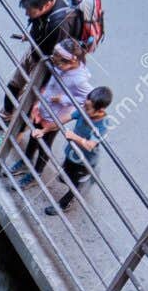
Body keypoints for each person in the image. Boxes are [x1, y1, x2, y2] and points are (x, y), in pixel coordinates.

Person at [0, 0, 84, 135]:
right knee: (13, 86)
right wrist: (31, 36)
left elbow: (58, 58)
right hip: (34, 50)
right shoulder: (43, 9)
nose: (26, 13)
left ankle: (11, 136)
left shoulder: (60, 24)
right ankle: (5, 117)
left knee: (26, 104)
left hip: (45, 64)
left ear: (46, 5)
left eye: (29, 10)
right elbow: (38, 24)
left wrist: (46, 83)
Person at [7, 40, 92, 186]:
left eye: (59, 62)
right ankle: (26, 160)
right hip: (42, 107)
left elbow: (87, 99)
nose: (56, 65)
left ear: (70, 62)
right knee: (34, 136)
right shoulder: (61, 66)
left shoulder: (79, 80)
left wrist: (63, 99)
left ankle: (36, 173)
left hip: (54, 117)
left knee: (44, 145)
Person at [46, 86, 113, 215]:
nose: (84, 109)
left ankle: (64, 204)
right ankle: (87, 178)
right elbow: (66, 118)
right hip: (71, 153)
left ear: (101, 110)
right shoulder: (84, 111)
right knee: (65, 176)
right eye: (84, 106)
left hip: (84, 161)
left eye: (88, 108)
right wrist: (45, 129)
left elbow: (90, 145)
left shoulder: (103, 125)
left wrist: (74, 137)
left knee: (75, 185)